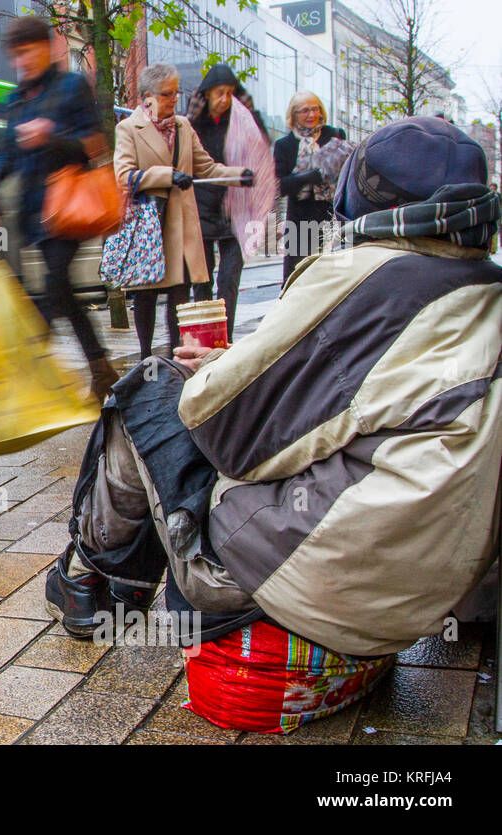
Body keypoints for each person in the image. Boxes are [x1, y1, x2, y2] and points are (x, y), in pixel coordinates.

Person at [46, 116, 502, 664]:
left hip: (311, 589)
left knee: (149, 386)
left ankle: (90, 577)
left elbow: (229, 434)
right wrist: (238, 362)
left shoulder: (367, 279)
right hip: (423, 594)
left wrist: (212, 372)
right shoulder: (484, 286)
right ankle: (118, 583)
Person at [0, 15, 117, 403]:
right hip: (33, 215)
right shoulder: (14, 100)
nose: (23, 61)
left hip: (69, 209)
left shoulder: (71, 87)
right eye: (16, 55)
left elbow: (93, 146)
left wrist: (52, 137)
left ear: (46, 48)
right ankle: (102, 369)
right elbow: (7, 159)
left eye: (27, 51)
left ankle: (27, 369)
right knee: (63, 292)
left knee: (51, 287)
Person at [113, 63, 253, 359]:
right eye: (167, 94)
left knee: (180, 294)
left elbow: (206, 167)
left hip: (182, 225)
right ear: (147, 96)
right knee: (147, 294)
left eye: (176, 92)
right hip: (151, 225)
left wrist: (240, 175)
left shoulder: (183, 126)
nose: (174, 99)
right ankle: (145, 357)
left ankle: (177, 359)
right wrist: (167, 175)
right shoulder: (128, 128)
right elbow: (124, 175)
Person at [187, 63, 269, 336]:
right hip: (201, 207)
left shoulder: (243, 120)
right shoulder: (192, 122)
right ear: (207, 93)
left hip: (236, 209)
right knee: (201, 278)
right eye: (220, 92)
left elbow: (261, 152)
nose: (225, 99)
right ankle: (203, 337)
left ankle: (224, 337)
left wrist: (252, 113)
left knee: (229, 279)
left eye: (230, 93)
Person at [274, 91, 347, 279]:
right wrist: (305, 177)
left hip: (331, 217)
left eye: (315, 109)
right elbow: (279, 185)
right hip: (300, 220)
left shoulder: (335, 136)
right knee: (297, 278)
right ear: (294, 114)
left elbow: (346, 172)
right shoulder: (285, 145)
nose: (312, 115)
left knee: (334, 277)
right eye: (305, 110)